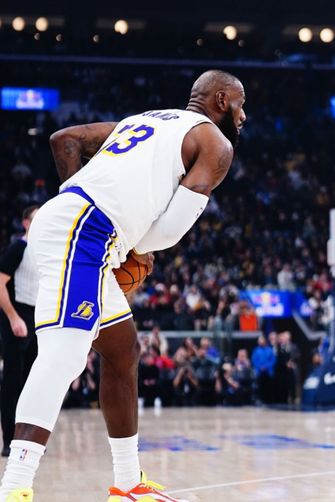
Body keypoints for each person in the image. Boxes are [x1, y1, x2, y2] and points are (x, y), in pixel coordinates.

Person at [0, 69, 245, 502]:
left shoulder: (144, 119)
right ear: (221, 100)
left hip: (84, 228)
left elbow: (64, 139)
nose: (243, 117)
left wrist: (75, 195)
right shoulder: (215, 143)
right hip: (85, 231)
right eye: (241, 106)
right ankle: (15, 486)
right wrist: (137, 249)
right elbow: (171, 230)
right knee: (63, 355)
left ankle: (128, 483)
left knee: (122, 350)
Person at [0, 206, 39, 457]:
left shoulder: (44, 250)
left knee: (33, 383)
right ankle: (9, 441)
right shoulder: (17, 248)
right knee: (13, 382)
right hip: (17, 316)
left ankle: (28, 441)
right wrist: (14, 317)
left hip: (38, 318)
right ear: (26, 223)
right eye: (36, 218)